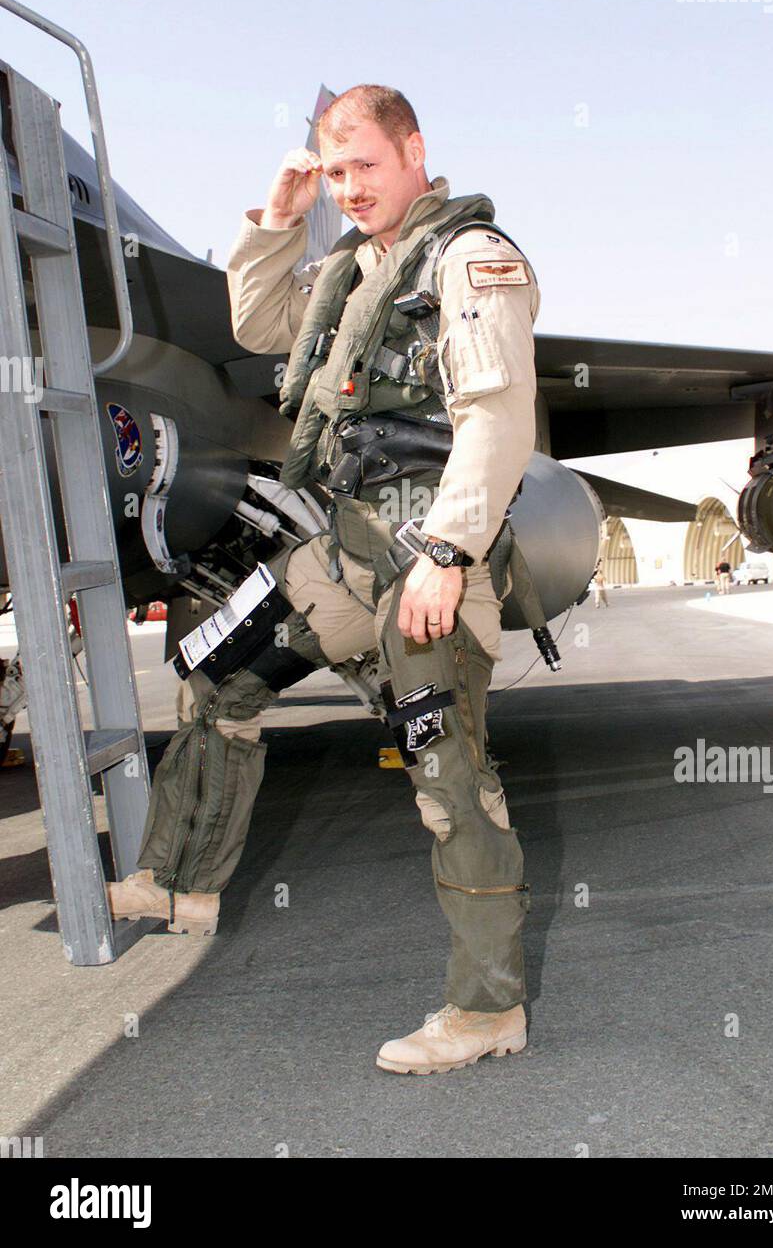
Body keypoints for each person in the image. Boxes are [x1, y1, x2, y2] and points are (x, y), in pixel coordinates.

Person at [109, 84, 540, 1074]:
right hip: (339, 550)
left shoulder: (469, 261)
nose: (347, 187)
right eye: (333, 171)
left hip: (423, 558)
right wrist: (277, 220)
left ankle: (486, 1011)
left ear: (414, 150)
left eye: (363, 167)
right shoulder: (349, 268)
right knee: (218, 672)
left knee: (450, 784)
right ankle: (181, 881)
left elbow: (496, 417)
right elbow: (260, 323)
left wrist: (446, 553)